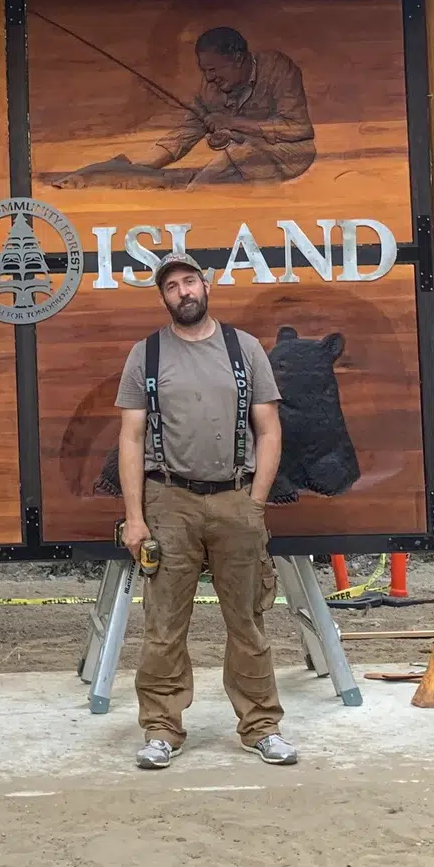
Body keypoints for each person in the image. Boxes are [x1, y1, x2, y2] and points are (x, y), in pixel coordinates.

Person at [116, 253, 298, 768]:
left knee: (249, 621)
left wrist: (256, 501)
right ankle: (161, 730)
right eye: (171, 286)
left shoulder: (245, 350)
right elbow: (130, 439)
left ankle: (262, 727)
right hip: (169, 502)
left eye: (189, 281)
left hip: (236, 498)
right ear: (164, 297)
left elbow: (269, 429)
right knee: (164, 625)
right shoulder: (145, 356)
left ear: (206, 284)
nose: (183, 292)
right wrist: (135, 516)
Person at [139, 27, 316, 185]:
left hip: (287, 156)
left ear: (238, 59)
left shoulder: (278, 68)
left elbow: (300, 129)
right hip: (239, 155)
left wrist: (231, 122)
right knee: (196, 188)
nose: (208, 78)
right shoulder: (210, 87)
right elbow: (185, 133)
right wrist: (143, 167)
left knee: (201, 188)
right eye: (205, 71)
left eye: (213, 69)